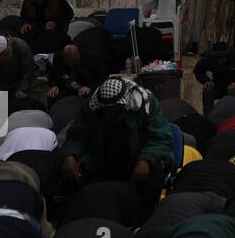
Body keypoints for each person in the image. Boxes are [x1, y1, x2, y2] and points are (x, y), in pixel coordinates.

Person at [61, 78, 173, 222]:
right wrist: (70, 155)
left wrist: (146, 159)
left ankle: (143, 221)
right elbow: (77, 137)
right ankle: (77, 220)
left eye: (116, 109)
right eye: (107, 111)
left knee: (154, 172)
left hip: (137, 160)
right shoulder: (90, 109)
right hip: (103, 160)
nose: (111, 114)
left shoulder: (145, 104)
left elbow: (160, 138)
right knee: (71, 172)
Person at [193, 43, 235, 113]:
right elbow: (198, 70)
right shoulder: (209, 57)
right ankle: (209, 116)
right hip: (219, 85)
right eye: (216, 58)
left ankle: (233, 115)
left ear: (227, 55)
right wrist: (206, 81)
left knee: (233, 93)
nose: (219, 61)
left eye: (221, 58)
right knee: (208, 91)